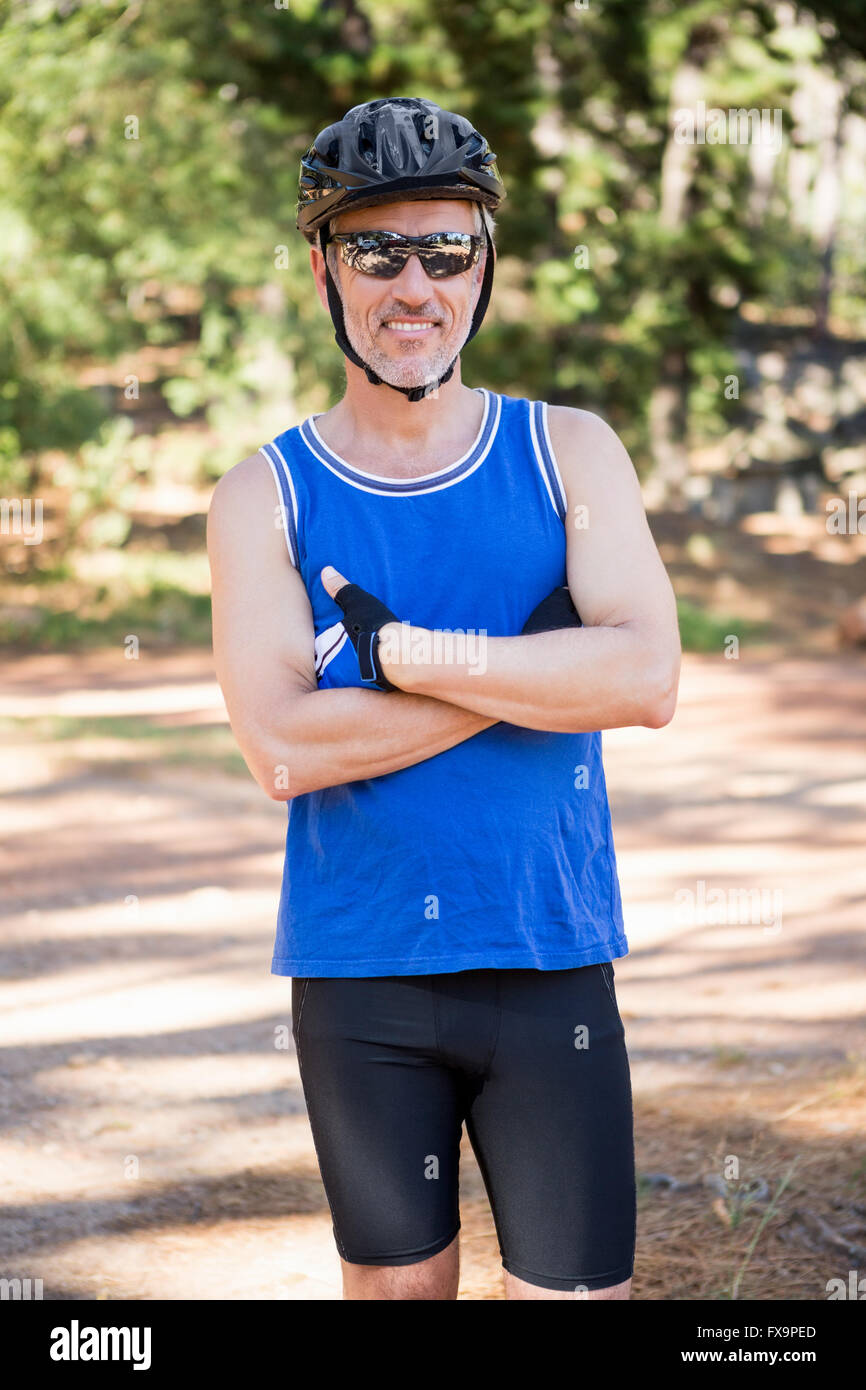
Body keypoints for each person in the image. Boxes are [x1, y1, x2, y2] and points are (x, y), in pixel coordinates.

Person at [207, 96, 681, 1301]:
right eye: (376, 250)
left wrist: (404, 655)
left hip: (548, 954)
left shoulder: (567, 452)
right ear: (324, 266)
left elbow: (643, 677)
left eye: (445, 249)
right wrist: (529, 669)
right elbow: (283, 749)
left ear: (483, 267)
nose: (411, 284)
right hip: (361, 974)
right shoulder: (261, 493)